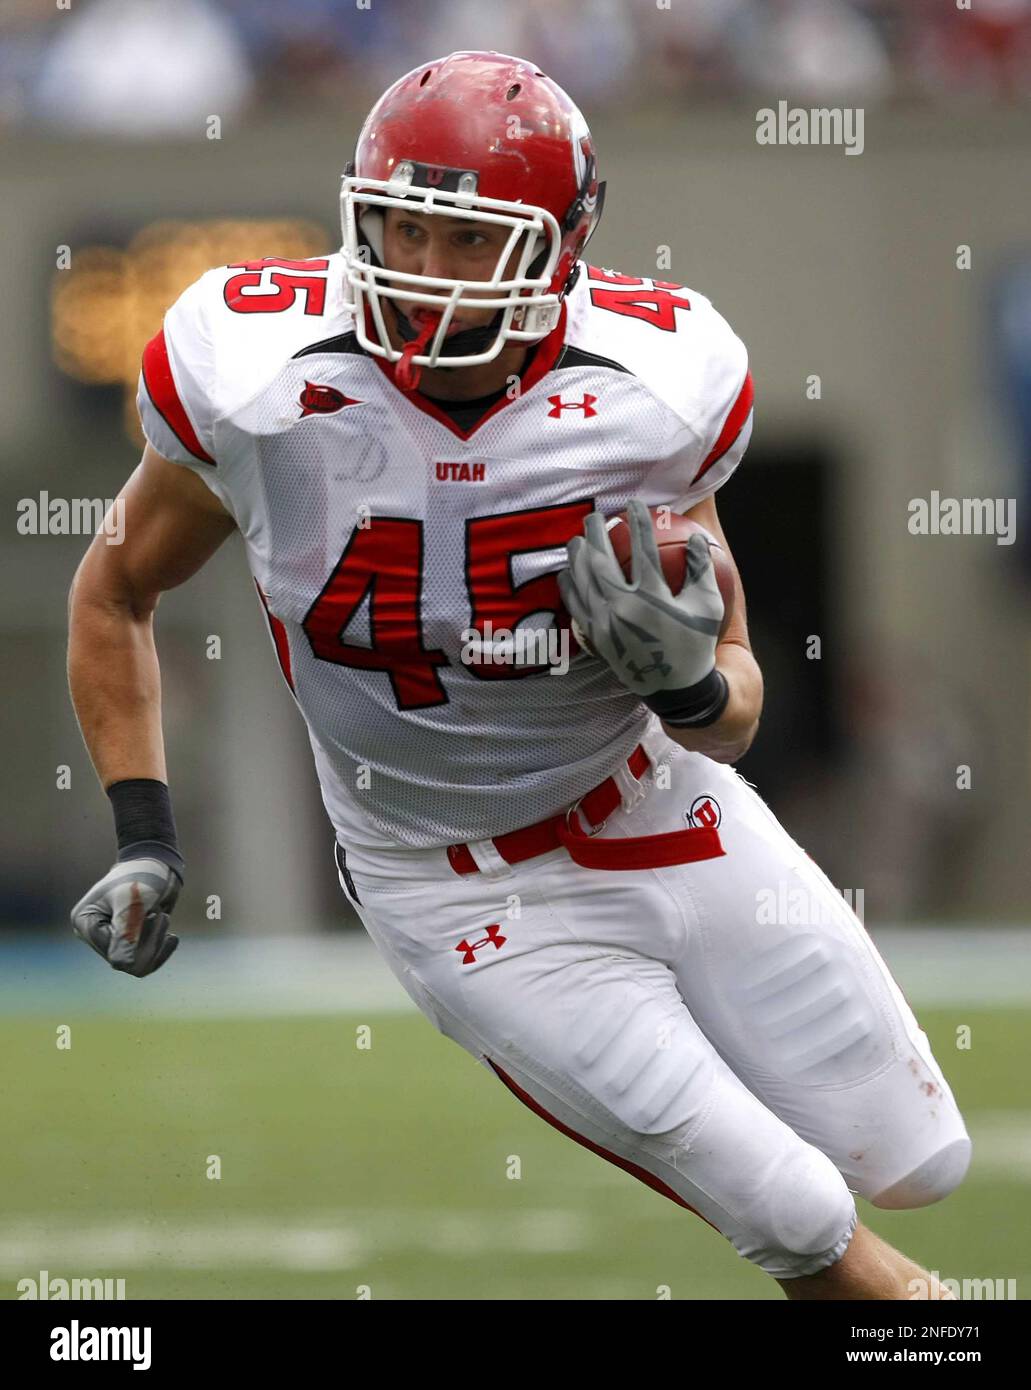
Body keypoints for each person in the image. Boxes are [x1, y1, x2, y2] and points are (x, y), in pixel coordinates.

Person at [67, 51, 970, 1300]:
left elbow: (737, 698)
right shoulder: (263, 375)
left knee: (921, 1155)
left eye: (464, 242)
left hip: (654, 808)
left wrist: (689, 690)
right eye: (398, 226)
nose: (418, 272)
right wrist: (145, 835)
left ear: (556, 254)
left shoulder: (647, 391)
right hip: (450, 882)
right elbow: (114, 591)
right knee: (799, 1212)